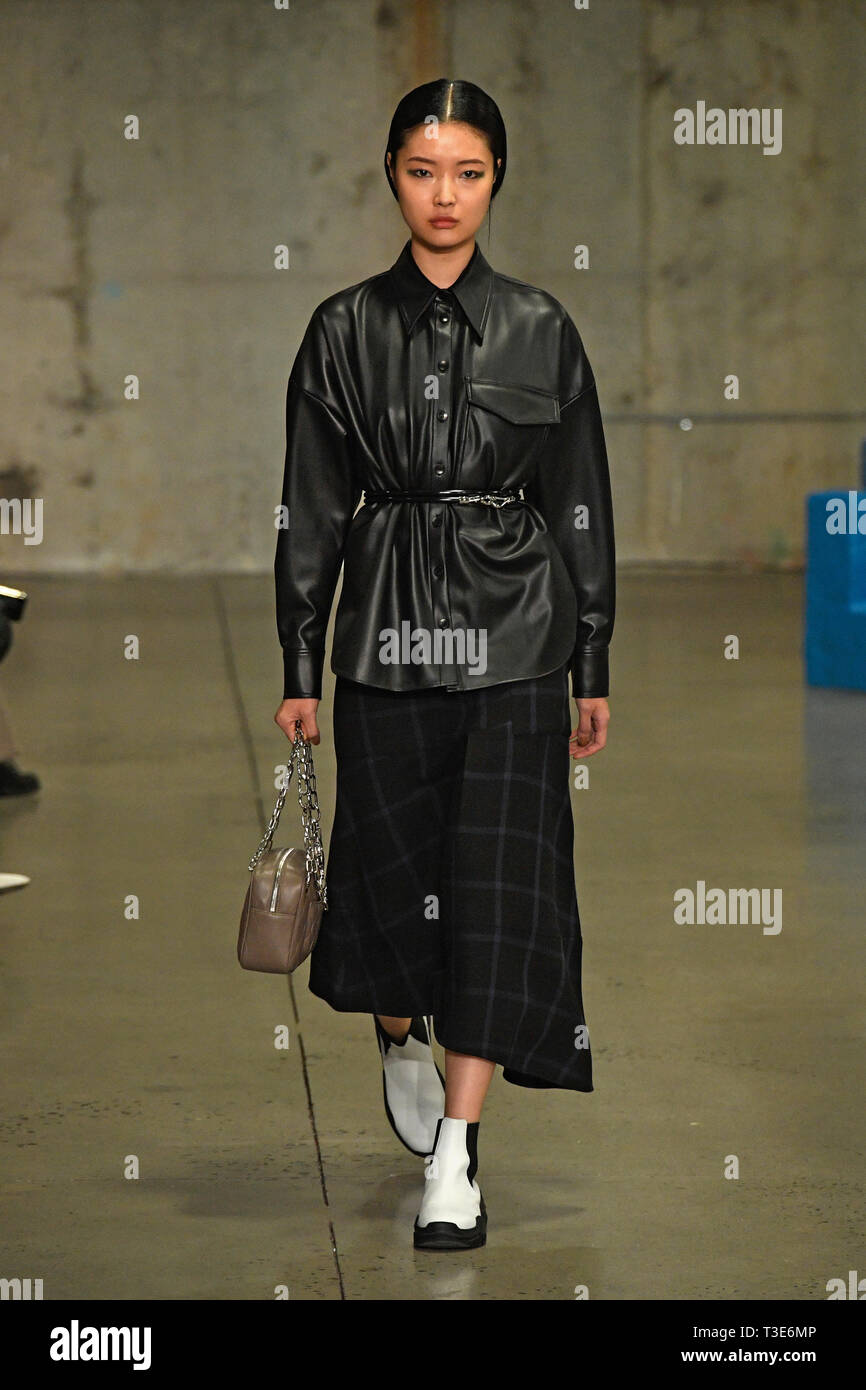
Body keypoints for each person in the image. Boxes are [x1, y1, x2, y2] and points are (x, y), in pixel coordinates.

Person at [272, 78, 615, 1251]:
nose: (444, 196)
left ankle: (456, 1161)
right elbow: (310, 512)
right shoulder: (340, 330)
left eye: (467, 172)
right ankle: (393, 1028)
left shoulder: (538, 327)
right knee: (383, 883)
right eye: (424, 171)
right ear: (390, 175)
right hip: (384, 641)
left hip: (516, 639)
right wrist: (297, 663)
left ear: (494, 182)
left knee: (495, 897)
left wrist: (593, 659)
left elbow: (577, 504)